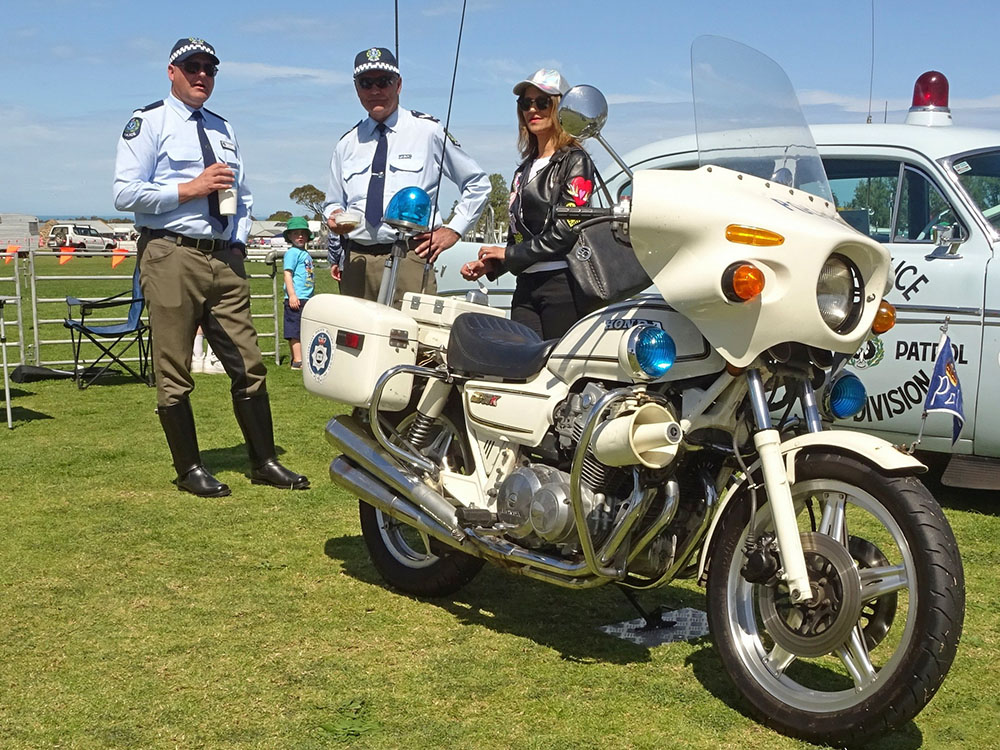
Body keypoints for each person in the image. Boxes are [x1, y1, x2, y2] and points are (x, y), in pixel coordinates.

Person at [113, 37, 309, 497]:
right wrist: (188, 188)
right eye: (192, 66)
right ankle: (189, 470)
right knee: (175, 367)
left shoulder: (224, 128)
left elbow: (243, 194)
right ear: (172, 71)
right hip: (170, 253)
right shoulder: (149, 123)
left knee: (249, 362)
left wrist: (238, 243)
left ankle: (264, 461)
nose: (202, 75)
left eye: (210, 69)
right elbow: (124, 194)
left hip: (224, 256)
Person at [324, 46, 490, 306]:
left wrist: (454, 231)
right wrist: (333, 217)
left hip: (409, 257)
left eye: (384, 81)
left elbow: (477, 183)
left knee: (411, 341)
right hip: (357, 261)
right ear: (356, 88)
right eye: (366, 83)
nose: (375, 90)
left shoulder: (428, 132)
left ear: (398, 85)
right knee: (355, 342)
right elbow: (333, 201)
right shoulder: (347, 143)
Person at [461, 69, 595, 340]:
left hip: (563, 287)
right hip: (525, 288)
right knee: (520, 370)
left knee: (558, 373)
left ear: (560, 108)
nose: (532, 109)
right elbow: (518, 235)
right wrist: (493, 266)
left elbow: (567, 231)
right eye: (525, 103)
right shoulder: (524, 169)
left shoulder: (576, 161)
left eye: (542, 102)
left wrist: (506, 255)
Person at [281, 217, 315, 370]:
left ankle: (299, 357)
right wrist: (292, 295)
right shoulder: (292, 253)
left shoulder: (304, 253)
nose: (300, 236)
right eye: (296, 233)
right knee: (294, 330)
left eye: (303, 233)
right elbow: (287, 274)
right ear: (289, 236)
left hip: (306, 297)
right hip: (296, 297)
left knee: (303, 329)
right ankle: (298, 361)